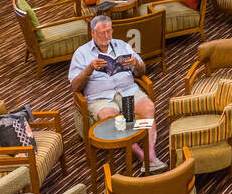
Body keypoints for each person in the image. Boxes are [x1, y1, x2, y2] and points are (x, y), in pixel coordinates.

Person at [70, 15, 165, 171]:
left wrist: (136, 63)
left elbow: (142, 71)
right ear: (93, 33)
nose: (107, 36)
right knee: (110, 119)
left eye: (109, 31)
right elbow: (75, 86)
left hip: (128, 90)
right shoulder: (81, 54)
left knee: (148, 108)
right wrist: (90, 68)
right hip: (100, 98)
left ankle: (150, 155)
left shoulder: (122, 46)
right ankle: (142, 156)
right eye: (102, 33)